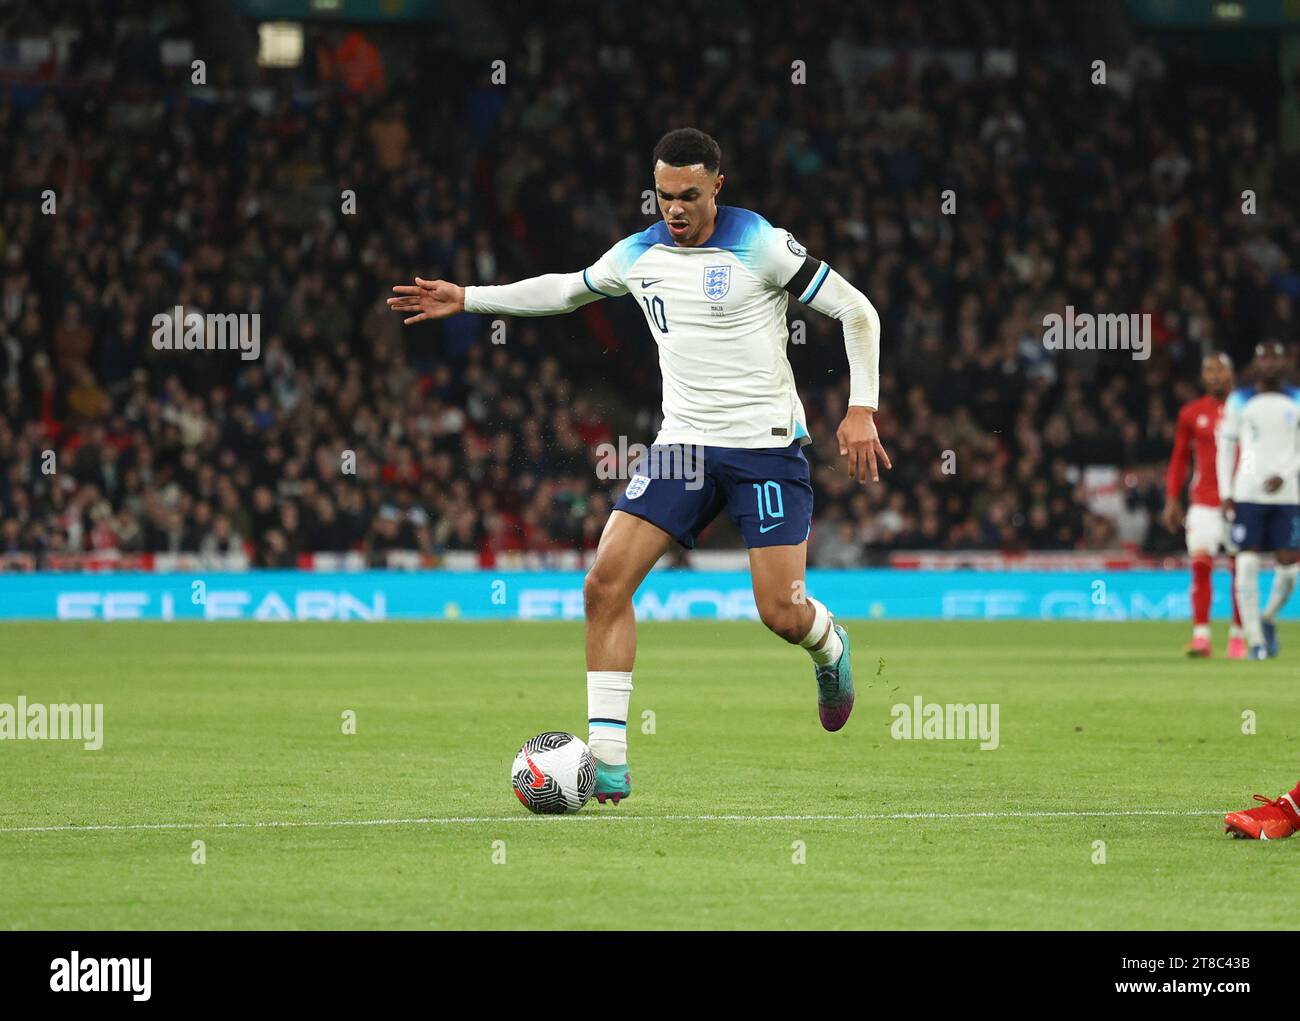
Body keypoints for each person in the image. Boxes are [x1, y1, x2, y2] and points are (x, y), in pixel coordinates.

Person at [389, 127, 889, 804]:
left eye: (688, 195)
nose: (674, 209)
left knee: (781, 611)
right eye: (662, 196)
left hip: (766, 449)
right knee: (604, 584)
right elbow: (565, 291)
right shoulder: (640, 252)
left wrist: (862, 408)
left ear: (718, 185)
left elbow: (857, 310)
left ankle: (829, 647)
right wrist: (471, 297)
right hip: (682, 446)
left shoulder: (763, 244)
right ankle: (609, 762)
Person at [1217, 341, 1300, 660]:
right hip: (1248, 492)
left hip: (1287, 494)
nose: (1270, 365)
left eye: (1276, 359)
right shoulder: (1239, 400)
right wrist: (1226, 493)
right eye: (1264, 359)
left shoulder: (1295, 399)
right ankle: (1255, 641)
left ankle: (1267, 618)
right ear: (1256, 364)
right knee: (1247, 562)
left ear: (1284, 364)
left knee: (1289, 569)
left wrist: (1286, 473)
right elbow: (1226, 449)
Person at [1162, 353, 1245, 657]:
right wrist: (1172, 498)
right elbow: (1179, 458)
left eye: (1220, 370)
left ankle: (1238, 637)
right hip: (1203, 502)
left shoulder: (1245, 410)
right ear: (1202, 376)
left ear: (1231, 374)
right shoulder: (1191, 413)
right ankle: (1202, 636)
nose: (1214, 376)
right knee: (1200, 566)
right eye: (1209, 370)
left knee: (1241, 570)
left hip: (1240, 501)